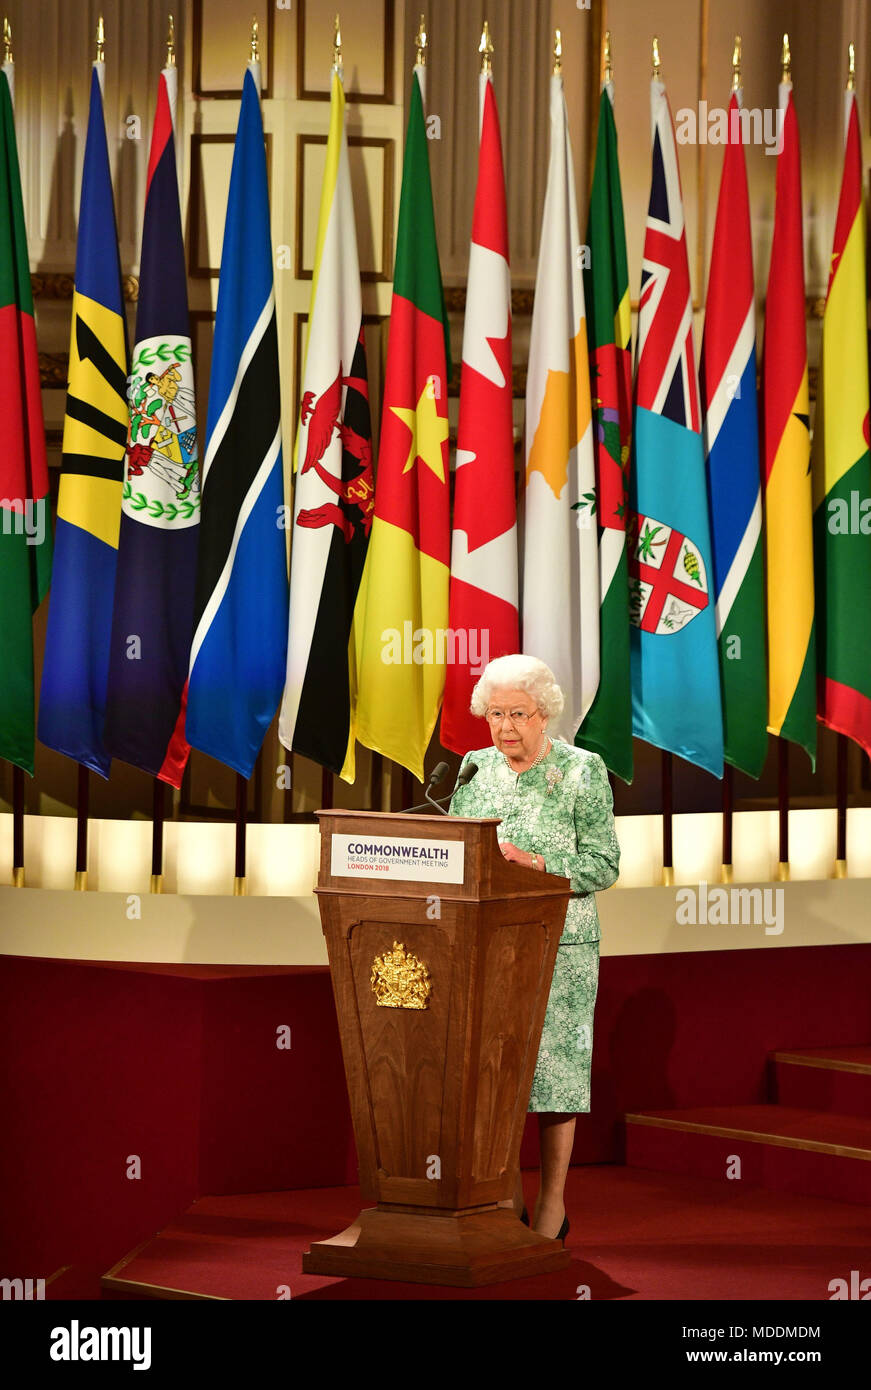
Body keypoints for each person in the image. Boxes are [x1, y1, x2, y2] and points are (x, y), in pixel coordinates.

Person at [449, 653, 620, 1243]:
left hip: (560, 949)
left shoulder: (582, 771)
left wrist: (536, 863)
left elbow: (604, 864)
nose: (504, 728)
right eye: (494, 714)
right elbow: (456, 858)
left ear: (544, 714)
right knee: (498, 1077)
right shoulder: (474, 770)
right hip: (487, 949)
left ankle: (553, 1205)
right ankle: (506, 1196)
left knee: (554, 1081)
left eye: (517, 714)